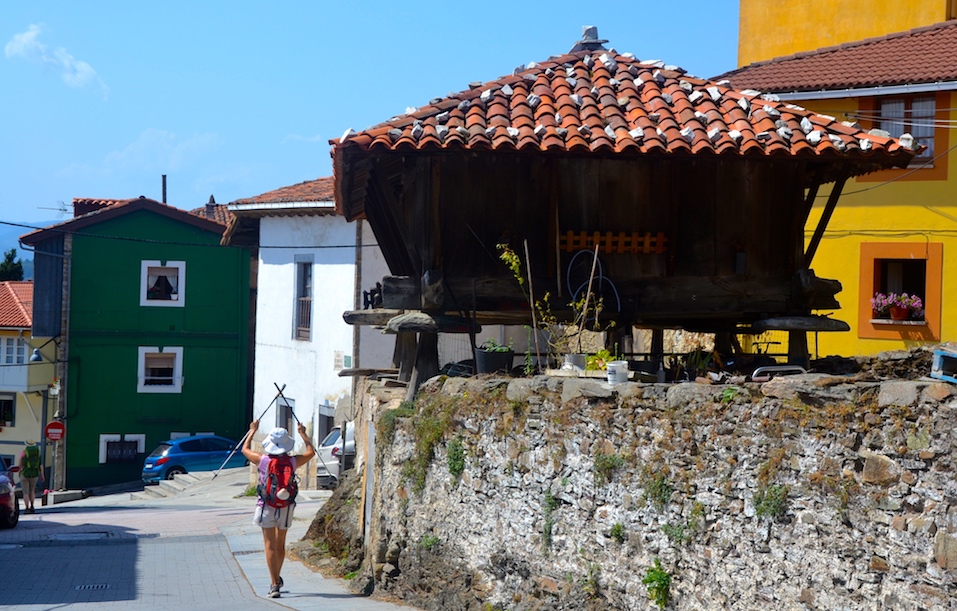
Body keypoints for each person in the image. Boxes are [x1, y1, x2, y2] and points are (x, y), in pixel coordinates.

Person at [241, 420, 315, 599]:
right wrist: (303, 434)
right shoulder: (292, 461)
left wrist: (252, 431)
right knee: (280, 544)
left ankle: (274, 583)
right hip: (286, 507)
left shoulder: (263, 460)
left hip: (266, 505)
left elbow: (244, 449)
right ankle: (277, 578)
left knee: (269, 545)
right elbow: (311, 452)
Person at [19, 439, 44, 514]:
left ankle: (27, 508)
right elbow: (40, 465)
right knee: (32, 491)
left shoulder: (23, 453)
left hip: (25, 474)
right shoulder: (37, 453)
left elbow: (20, 465)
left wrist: (19, 473)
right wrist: (42, 475)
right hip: (34, 474)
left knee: (25, 492)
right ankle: (32, 506)